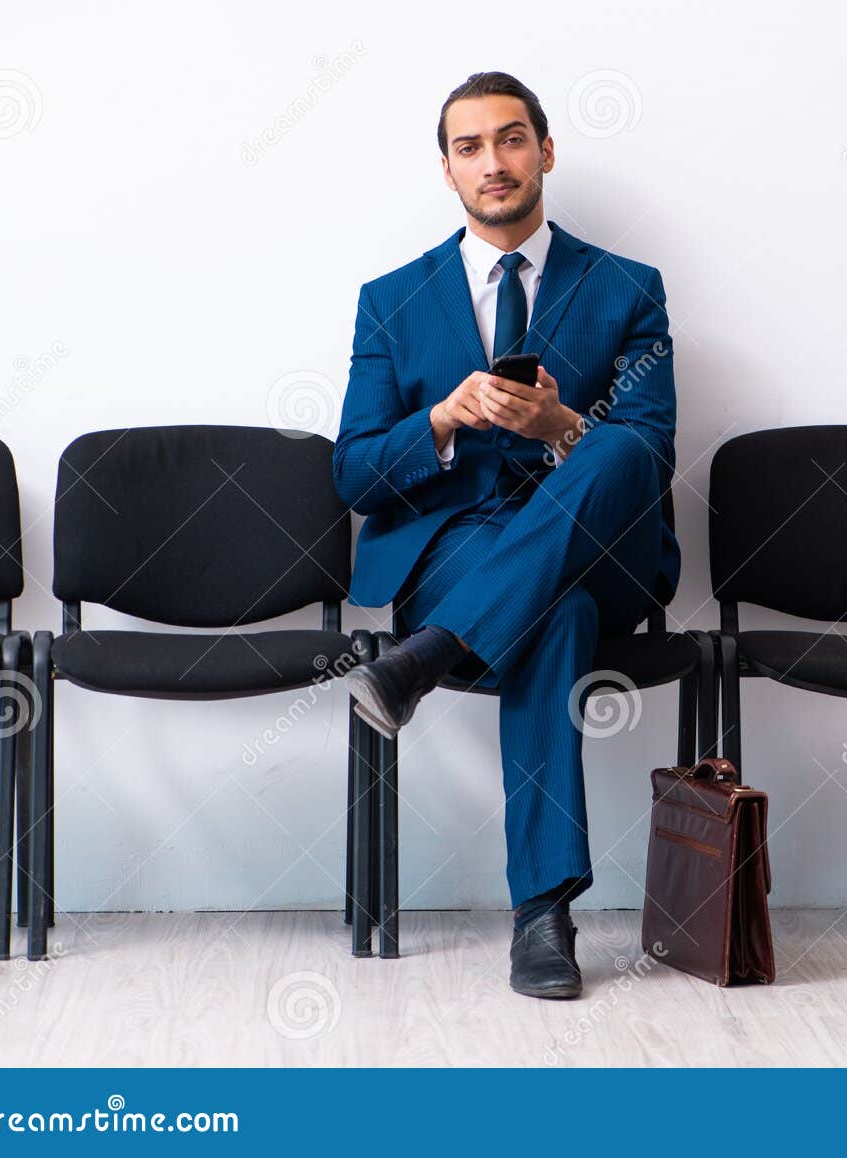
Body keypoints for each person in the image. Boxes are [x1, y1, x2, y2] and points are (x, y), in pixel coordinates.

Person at [334, 71, 679, 999]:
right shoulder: (392, 300)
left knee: (619, 450)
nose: (494, 161)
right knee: (553, 615)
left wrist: (558, 430)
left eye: (512, 139)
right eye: (470, 146)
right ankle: (543, 917)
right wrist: (442, 419)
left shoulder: (627, 288)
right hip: (459, 549)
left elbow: (653, 453)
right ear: (446, 170)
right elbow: (354, 472)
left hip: (603, 546)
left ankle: (425, 658)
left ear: (547, 151)